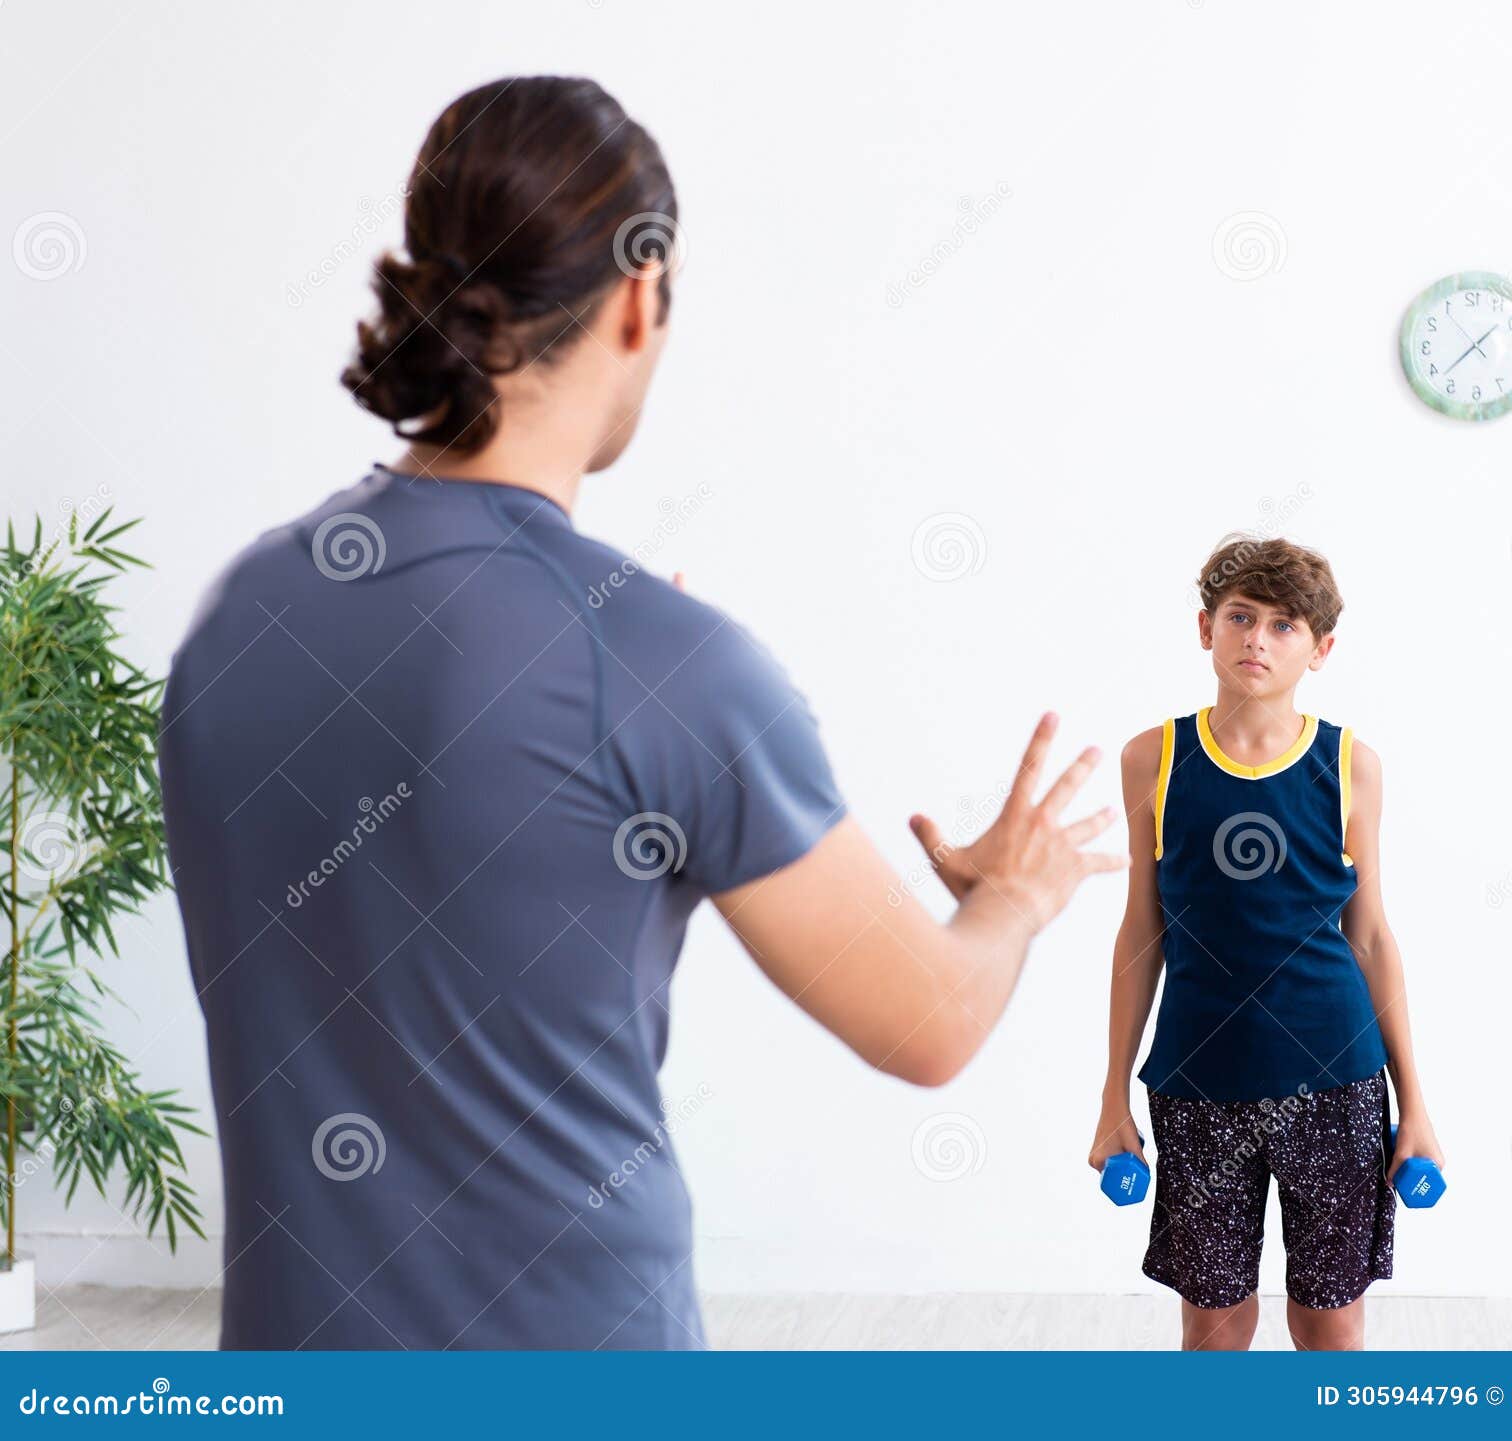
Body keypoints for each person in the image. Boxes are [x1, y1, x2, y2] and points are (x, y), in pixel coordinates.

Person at [158, 75, 1128, 1350]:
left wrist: (620, 687)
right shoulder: (660, 666)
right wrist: (1014, 891)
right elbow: (932, 1021)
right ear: (636, 293)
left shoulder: (243, 612)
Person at [1086, 536, 1444, 1351]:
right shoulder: (1154, 757)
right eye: (1241, 617)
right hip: (1198, 1083)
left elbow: (1373, 935)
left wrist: (1414, 1100)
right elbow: (1142, 929)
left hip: (1336, 1082)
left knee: (1329, 1316)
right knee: (1214, 1321)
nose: (1257, 638)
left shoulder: (1352, 763)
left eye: (1284, 626)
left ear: (1320, 650)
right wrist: (1113, 1092)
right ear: (1205, 626)